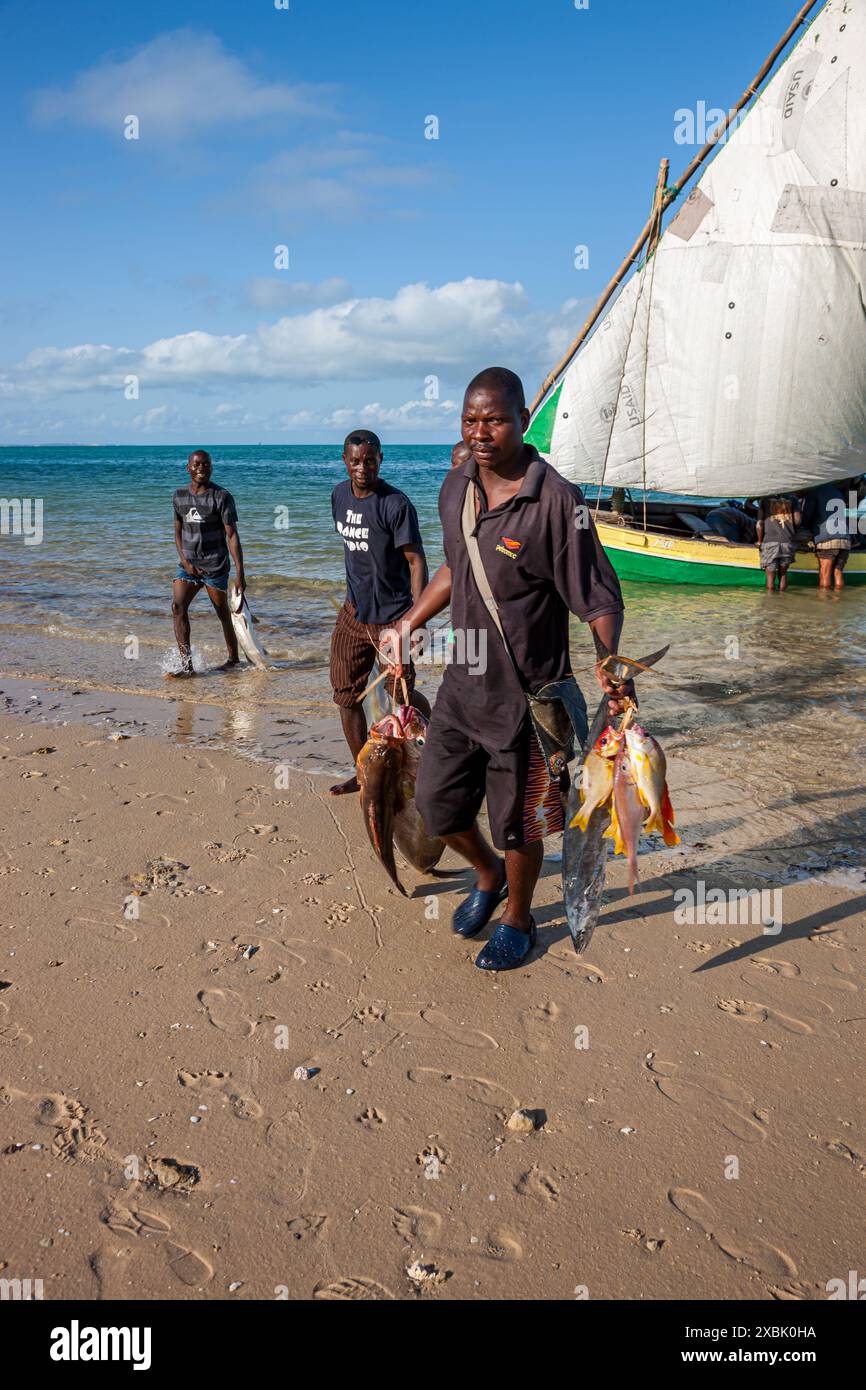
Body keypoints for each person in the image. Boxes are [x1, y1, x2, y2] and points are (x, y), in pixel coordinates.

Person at [380, 368, 628, 972]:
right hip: (462, 686)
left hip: (526, 698)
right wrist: (407, 625)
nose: (481, 431)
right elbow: (453, 568)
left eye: (494, 419)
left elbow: (598, 595)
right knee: (437, 808)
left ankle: (518, 918)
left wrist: (610, 663)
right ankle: (486, 873)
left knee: (519, 823)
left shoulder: (557, 501)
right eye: (470, 419)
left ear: (522, 420)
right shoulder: (455, 487)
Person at [329, 430, 430, 795]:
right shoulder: (338, 495)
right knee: (346, 696)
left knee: (400, 700)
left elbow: (416, 562)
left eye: (369, 460)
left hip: (394, 618)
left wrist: (414, 623)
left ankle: (424, 726)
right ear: (345, 460)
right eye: (355, 461)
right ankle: (364, 774)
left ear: (380, 460)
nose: (362, 468)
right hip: (354, 614)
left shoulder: (396, 504)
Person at [171, 449, 245, 675]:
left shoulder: (222, 496)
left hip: (215, 566)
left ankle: (233, 659)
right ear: (188, 468)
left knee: (223, 613)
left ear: (211, 467)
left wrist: (240, 573)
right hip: (188, 566)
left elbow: (232, 535)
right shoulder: (179, 495)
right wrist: (184, 561)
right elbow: (177, 531)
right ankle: (187, 667)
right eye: (196, 465)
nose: (201, 468)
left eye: (205, 465)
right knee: (177, 607)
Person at [801, 481, 853, 590]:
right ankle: (837, 601)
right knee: (838, 573)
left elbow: (806, 517)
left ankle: (825, 604)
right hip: (845, 538)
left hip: (827, 539)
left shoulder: (814, 492)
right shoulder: (839, 493)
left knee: (825, 574)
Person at [756, 494, 801, 593]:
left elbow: (759, 524)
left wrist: (759, 541)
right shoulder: (793, 498)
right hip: (787, 542)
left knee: (770, 577)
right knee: (783, 574)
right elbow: (797, 521)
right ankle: (782, 599)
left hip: (770, 542)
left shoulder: (765, 499)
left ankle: (770, 602)